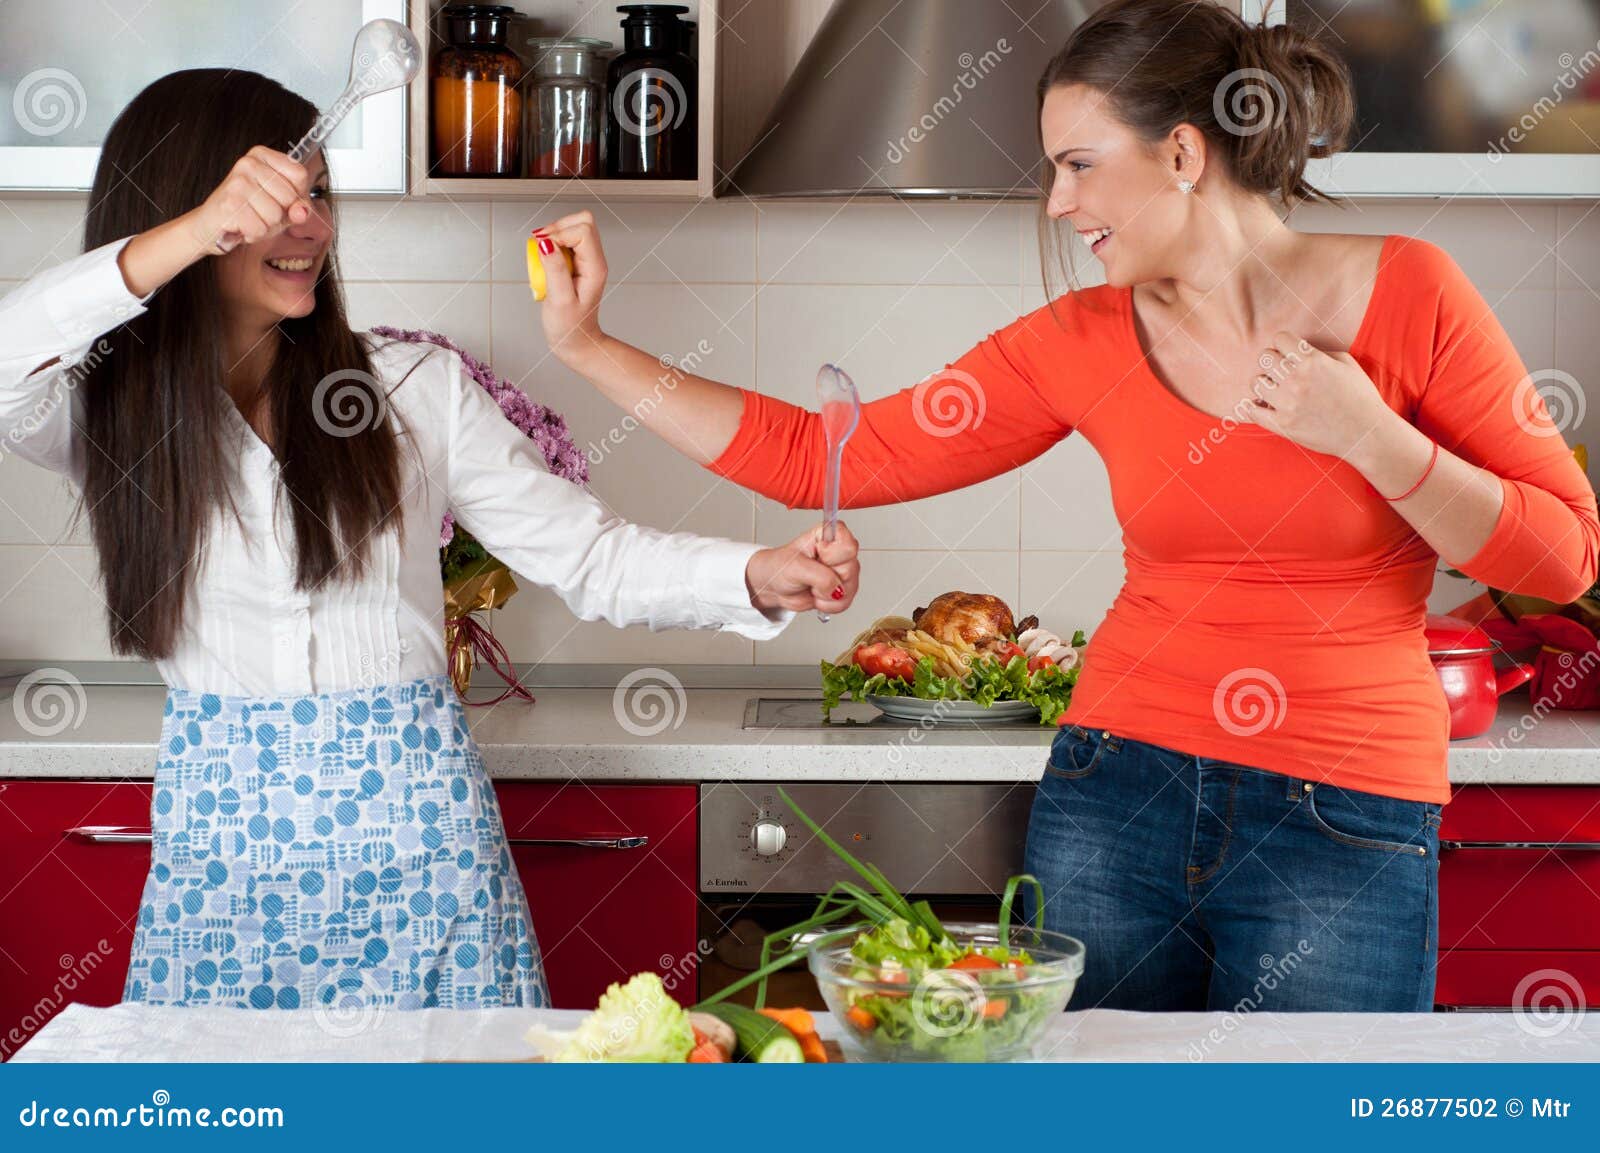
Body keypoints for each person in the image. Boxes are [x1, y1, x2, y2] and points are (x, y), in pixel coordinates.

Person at [527, 0, 1600, 1011]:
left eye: (1079, 166)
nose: (1056, 203)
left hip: (1345, 813)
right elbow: (815, 451)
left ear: (1184, 153)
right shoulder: (1079, 339)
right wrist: (587, 347)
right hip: (1114, 796)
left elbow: (1562, 559)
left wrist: (1369, 434)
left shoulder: (1413, 294)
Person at [0, 69, 861, 1011]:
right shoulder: (107, 413)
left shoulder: (414, 389)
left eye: (320, 195)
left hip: (428, 861)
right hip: (222, 877)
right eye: (279, 200)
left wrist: (757, 575)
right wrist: (195, 233)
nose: (314, 227)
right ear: (191, 212)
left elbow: (590, 555)